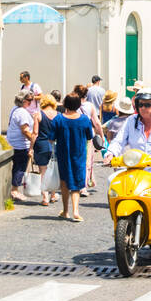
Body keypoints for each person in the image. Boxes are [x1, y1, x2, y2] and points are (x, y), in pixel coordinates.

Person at [106, 89, 151, 239]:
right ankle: (118, 220)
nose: (143, 108)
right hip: (135, 168)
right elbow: (118, 141)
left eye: (147, 104)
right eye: (140, 104)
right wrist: (110, 154)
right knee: (111, 180)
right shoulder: (130, 121)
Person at [52, 93, 93, 222]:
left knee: (64, 182)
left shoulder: (58, 119)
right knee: (76, 183)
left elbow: (51, 137)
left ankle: (65, 211)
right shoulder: (85, 119)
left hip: (63, 154)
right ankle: (76, 211)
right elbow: (89, 136)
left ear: (65, 104)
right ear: (78, 105)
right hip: (79, 154)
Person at [6, 93, 37, 203]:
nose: (31, 101)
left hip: (12, 142)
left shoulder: (15, 109)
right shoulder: (22, 113)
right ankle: (15, 191)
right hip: (21, 144)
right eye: (29, 100)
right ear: (23, 100)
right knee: (20, 168)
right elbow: (25, 130)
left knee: (16, 167)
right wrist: (33, 141)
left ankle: (14, 189)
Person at [35, 93, 60, 206]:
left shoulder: (38, 115)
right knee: (54, 170)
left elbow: (35, 133)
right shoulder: (59, 115)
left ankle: (45, 197)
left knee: (43, 171)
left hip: (42, 144)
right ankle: (53, 195)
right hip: (55, 144)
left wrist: (31, 148)